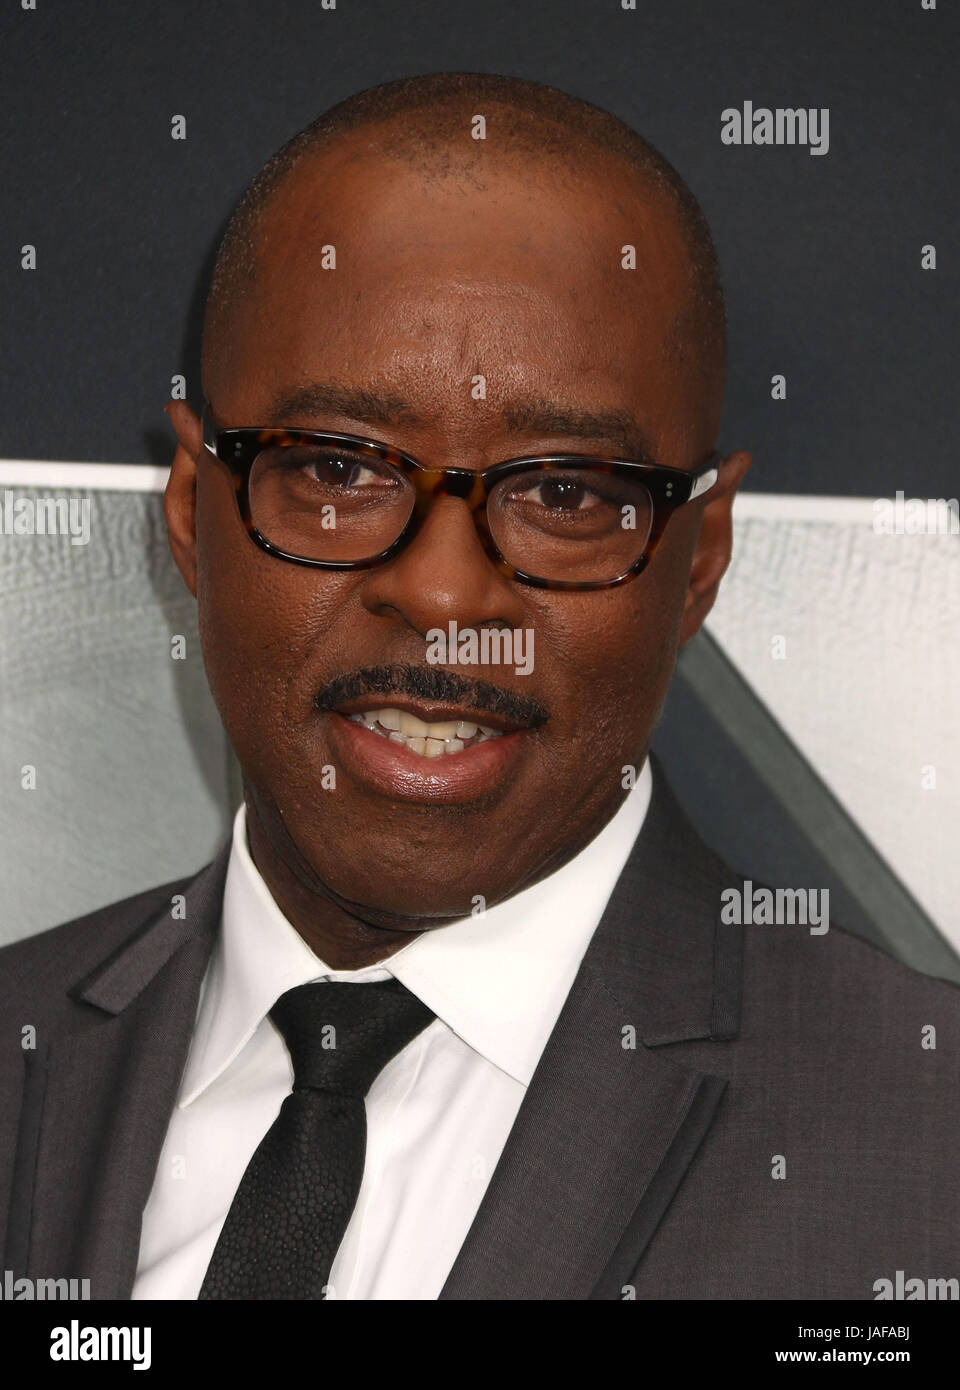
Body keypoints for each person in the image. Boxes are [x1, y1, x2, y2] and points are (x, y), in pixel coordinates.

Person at [2, 71, 957, 1302]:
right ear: (194, 511)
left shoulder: (924, 1159)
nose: (446, 596)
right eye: (339, 468)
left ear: (700, 559)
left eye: (565, 493)